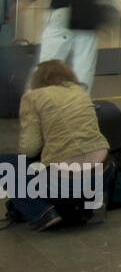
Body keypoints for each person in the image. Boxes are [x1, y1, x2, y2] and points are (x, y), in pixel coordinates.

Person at [1, 60, 110, 231]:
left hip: (65, 180)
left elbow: (29, 148)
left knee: (6, 164)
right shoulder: (80, 91)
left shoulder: (32, 97)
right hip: (103, 172)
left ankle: (42, 213)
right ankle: (94, 200)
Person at [20, 0, 101, 93]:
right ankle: (80, 102)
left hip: (62, 13)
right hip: (88, 16)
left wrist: (22, 4)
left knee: (48, 62)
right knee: (84, 63)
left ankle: (35, 98)